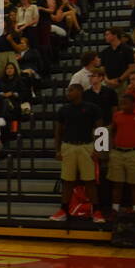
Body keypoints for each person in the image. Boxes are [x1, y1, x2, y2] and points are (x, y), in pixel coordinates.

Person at [50, 83, 105, 224]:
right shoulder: (64, 110)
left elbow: (101, 130)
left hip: (86, 147)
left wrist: (100, 149)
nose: (68, 93)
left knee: (90, 181)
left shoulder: (93, 108)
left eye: (71, 90)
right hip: (68, 146)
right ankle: (63, 210)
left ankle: (97, 211)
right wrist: (57, 150)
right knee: (68, 181)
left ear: (79, 91)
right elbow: (58, 132)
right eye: (68, 90)